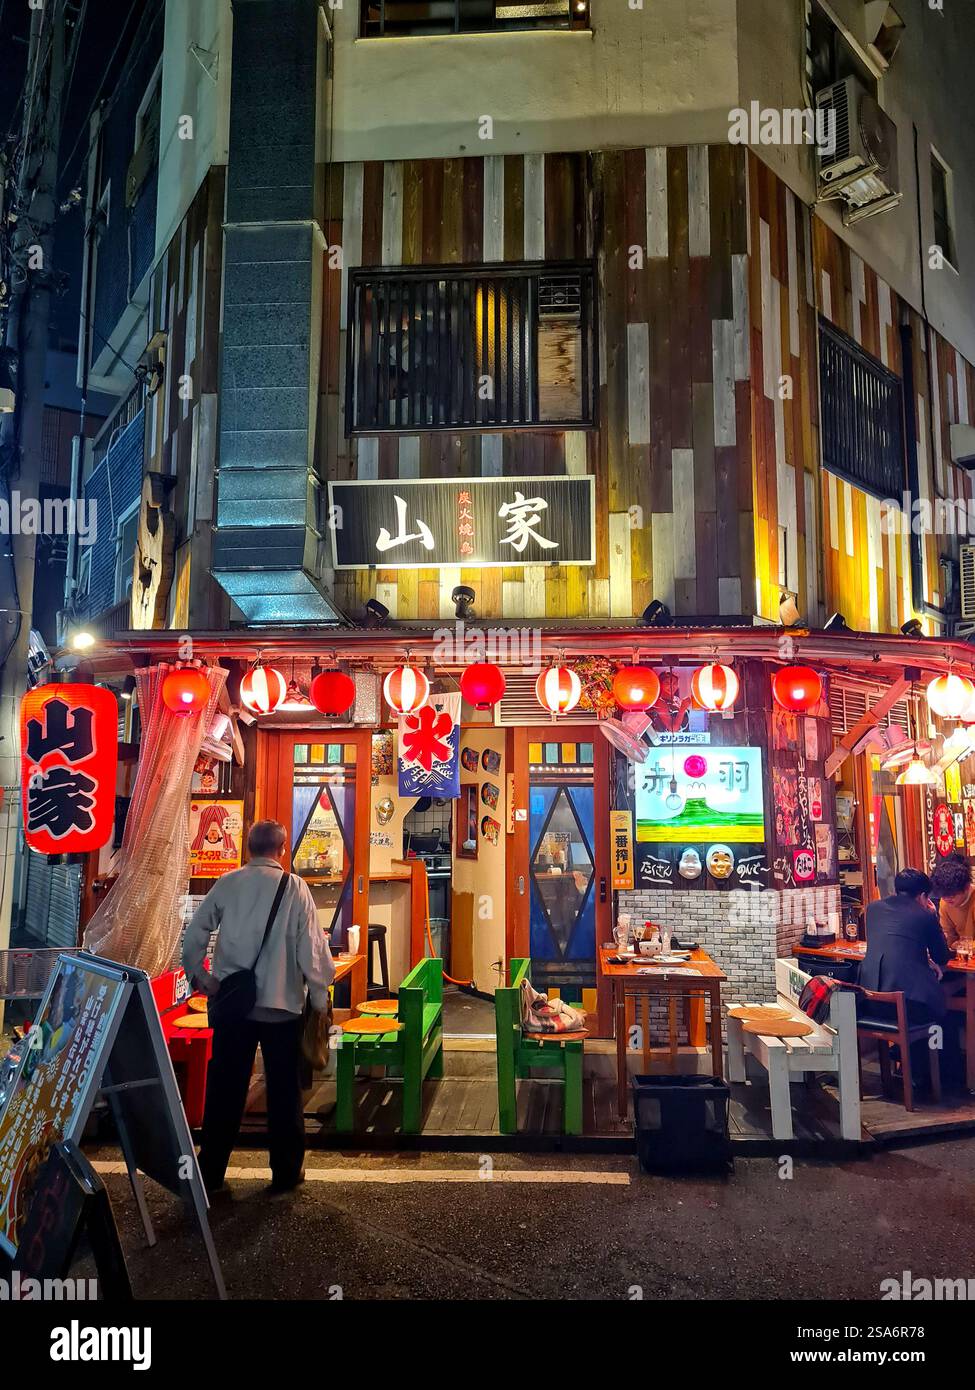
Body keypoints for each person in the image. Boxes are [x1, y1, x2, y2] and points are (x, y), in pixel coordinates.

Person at [182, 819, 334, 1196]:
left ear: (248, 848)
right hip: (282, 1009)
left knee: (225, 1090)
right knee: (284, 1091)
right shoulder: (295, 888)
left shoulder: (229, 883)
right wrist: (320, 1000)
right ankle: (285, 1174)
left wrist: (202, 979)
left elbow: (195, 933)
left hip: (234, 1008)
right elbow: (312, 953)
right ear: (282, 850)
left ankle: (211, 1176)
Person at [860, 867, 963, 1091]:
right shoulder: (924, 915)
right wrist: (932, 916)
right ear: (923, 896)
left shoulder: (873, 909)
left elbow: (896, 946)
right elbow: (941, 956)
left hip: (872, 1001)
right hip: (908, 1006)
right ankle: (937, 1077)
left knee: (928, 998)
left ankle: (905, 1063)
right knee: (943, 1010)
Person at [929, 855, 975, 948]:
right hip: (962, 959)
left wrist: (960, 945)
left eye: (952, 895)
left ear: (966, 887)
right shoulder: (945, 903)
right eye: (943, 895)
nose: (947, 899)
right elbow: (948, 938)